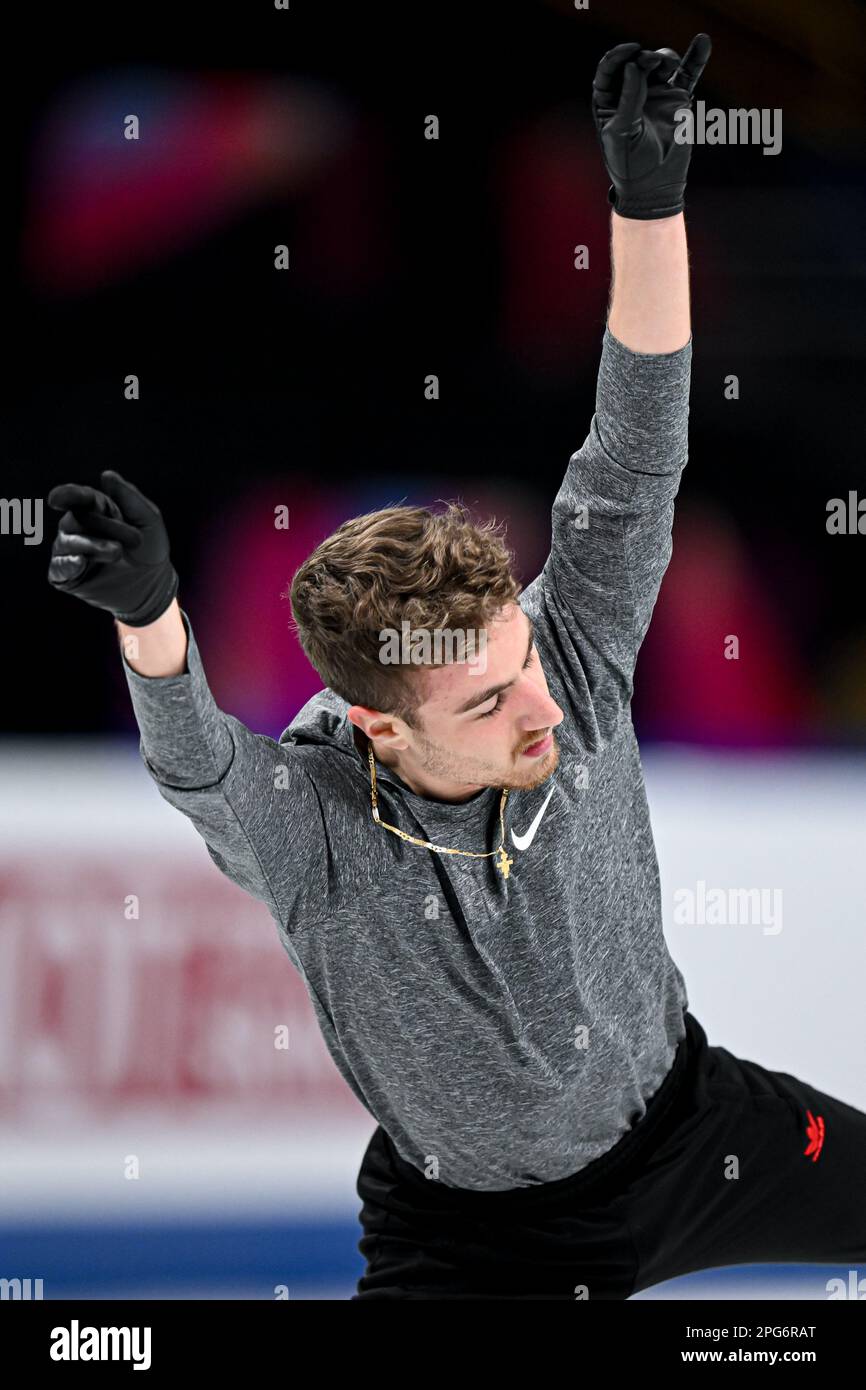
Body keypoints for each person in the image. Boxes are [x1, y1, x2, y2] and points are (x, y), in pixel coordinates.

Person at [47, 35, 866, 1300]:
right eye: (485, 701)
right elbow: (198, 763)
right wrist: (151, 616)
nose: (546, 710)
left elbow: (638, 444)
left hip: (704, 1133)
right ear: (377, 728)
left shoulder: (573, 650)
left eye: (521, 661)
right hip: (481, 1243)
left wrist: (645, 207)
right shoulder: (314, 826)